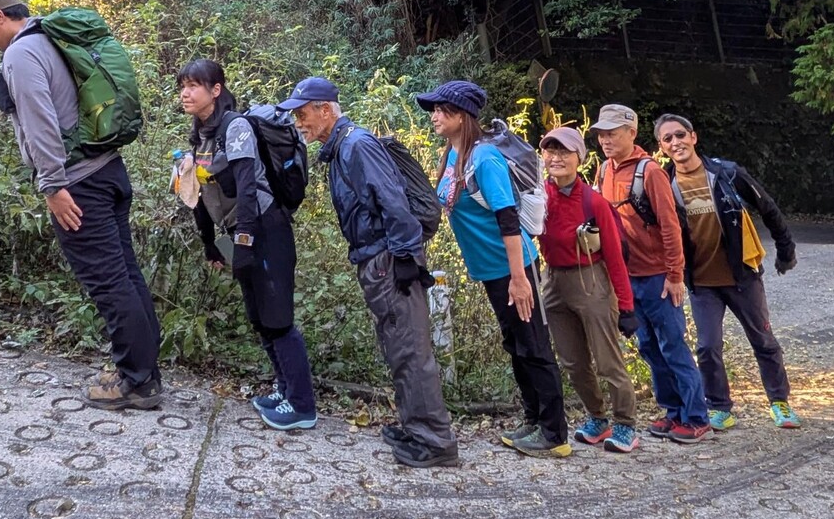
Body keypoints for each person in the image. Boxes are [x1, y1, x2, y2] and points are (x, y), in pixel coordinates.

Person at [0, 0, 161, 410]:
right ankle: (144, 371)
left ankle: (135, 381)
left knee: (108, 282)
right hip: (107, 170)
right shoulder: (52, 38)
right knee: (125, 274)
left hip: (76, 183)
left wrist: (51, 185)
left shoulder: (20, 53)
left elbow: (40, 122)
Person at [281, 76, 459, 469]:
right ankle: (415, 427)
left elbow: (392, 202)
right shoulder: (343, 146)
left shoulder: (356, 145)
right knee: (398, 348)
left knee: (411, 350)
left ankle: (435, 441)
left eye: (303, 113)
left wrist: (407, 259)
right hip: (377, 258)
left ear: (326, 109)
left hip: (388, 260)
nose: (299, 121)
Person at [417, 81, 570, 460]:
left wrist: (519, 279)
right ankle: (533, 420)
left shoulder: (484, 158)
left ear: (462, 114)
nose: (434, 116)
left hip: (514, 269)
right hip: (490, 270)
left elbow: (507, 218)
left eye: (441, 109)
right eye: (432, 109)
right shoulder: (454, 156)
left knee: (534, 346)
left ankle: (555, 433)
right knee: (516, 345)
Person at [180, 59, 316, 431]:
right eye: (183, 86)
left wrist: (244, 243)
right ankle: (284, 389)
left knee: (278, 318)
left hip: (265, 229)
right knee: (259, 317)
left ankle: (302, 405)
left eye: (194, 86)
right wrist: (210, 243)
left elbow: (248, 189)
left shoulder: (235, 127)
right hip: (241, 231)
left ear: (216, 90)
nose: (186, 93)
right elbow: (200, 193)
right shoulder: (200, 134)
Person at [654, 113, 801, 430]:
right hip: (702, 282)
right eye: (668, 139)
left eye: (680, 135)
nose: (676, 142)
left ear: (694, 137)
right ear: (661, 147)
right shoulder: (665, 185)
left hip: (742, 276)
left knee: (763, 340)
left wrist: (785, 250)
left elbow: (767, 207)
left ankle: (780, 403)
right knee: (707, 346)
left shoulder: (727, 173)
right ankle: (719, 407)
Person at [594, 103, 710, 444]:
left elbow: (671, 227)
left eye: (613, 133)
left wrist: (675, 275)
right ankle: (673, 412)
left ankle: (696, 416)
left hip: (659, 276)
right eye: (602, 134)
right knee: (648, 346)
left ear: (631, 133)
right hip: (627, 278)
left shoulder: (651, 172)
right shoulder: (604, 171)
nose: (606, 140)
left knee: (673, 346)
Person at [538, 126, 640, 454]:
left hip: (591, 279)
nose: (556, 158)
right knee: (572, 360)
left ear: (579, 158)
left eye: (564, 152)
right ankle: (598, 417)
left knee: (607, 360)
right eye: (550, 151)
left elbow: (613, 255)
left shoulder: (593, 202)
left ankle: (625, 423)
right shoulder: (538, 197)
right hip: (553, 282)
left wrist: (626, 306)